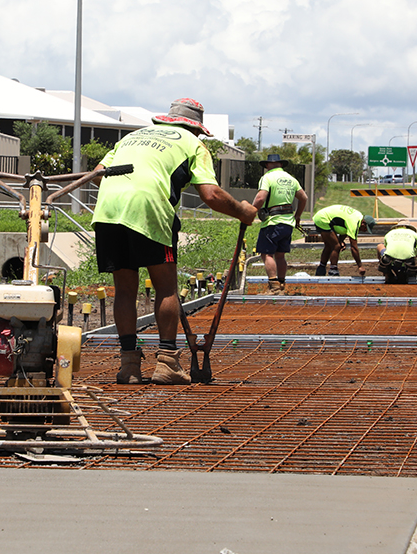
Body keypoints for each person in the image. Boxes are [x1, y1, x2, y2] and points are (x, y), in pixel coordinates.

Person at [92, 98, 258, 384]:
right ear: (195, 128)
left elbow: (97, 175)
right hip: (149, 210)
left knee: (125, 289)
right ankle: (167, 362)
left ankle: (129, 366)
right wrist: (243, 211)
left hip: (108, 210)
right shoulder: (192, 144)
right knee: (166, 286)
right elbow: (211, 195)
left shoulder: (132, 136)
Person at [251, 153, 308, 295]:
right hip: (288, 223)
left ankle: (274, 287)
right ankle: (281, 285)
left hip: (272, 222)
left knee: (267, 254)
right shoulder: (291, 179)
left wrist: (251, 211)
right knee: (280, 255)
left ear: (267, 165)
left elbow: (260, 197)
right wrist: (298, 216)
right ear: (281, 164)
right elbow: (304, 197)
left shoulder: (267, 178)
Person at [311, 204, 374, 276]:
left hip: (321, 216)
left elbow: (345, 227)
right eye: (365, 229)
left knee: (329, 245)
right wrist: (360, 266)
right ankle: (333, 271)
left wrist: (341, 240)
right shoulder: (355, 223)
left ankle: (321, 270)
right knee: (336, 246)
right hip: (323, 218)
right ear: (363, 223)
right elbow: (354, 247)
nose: (364, 231)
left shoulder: (358, 217)